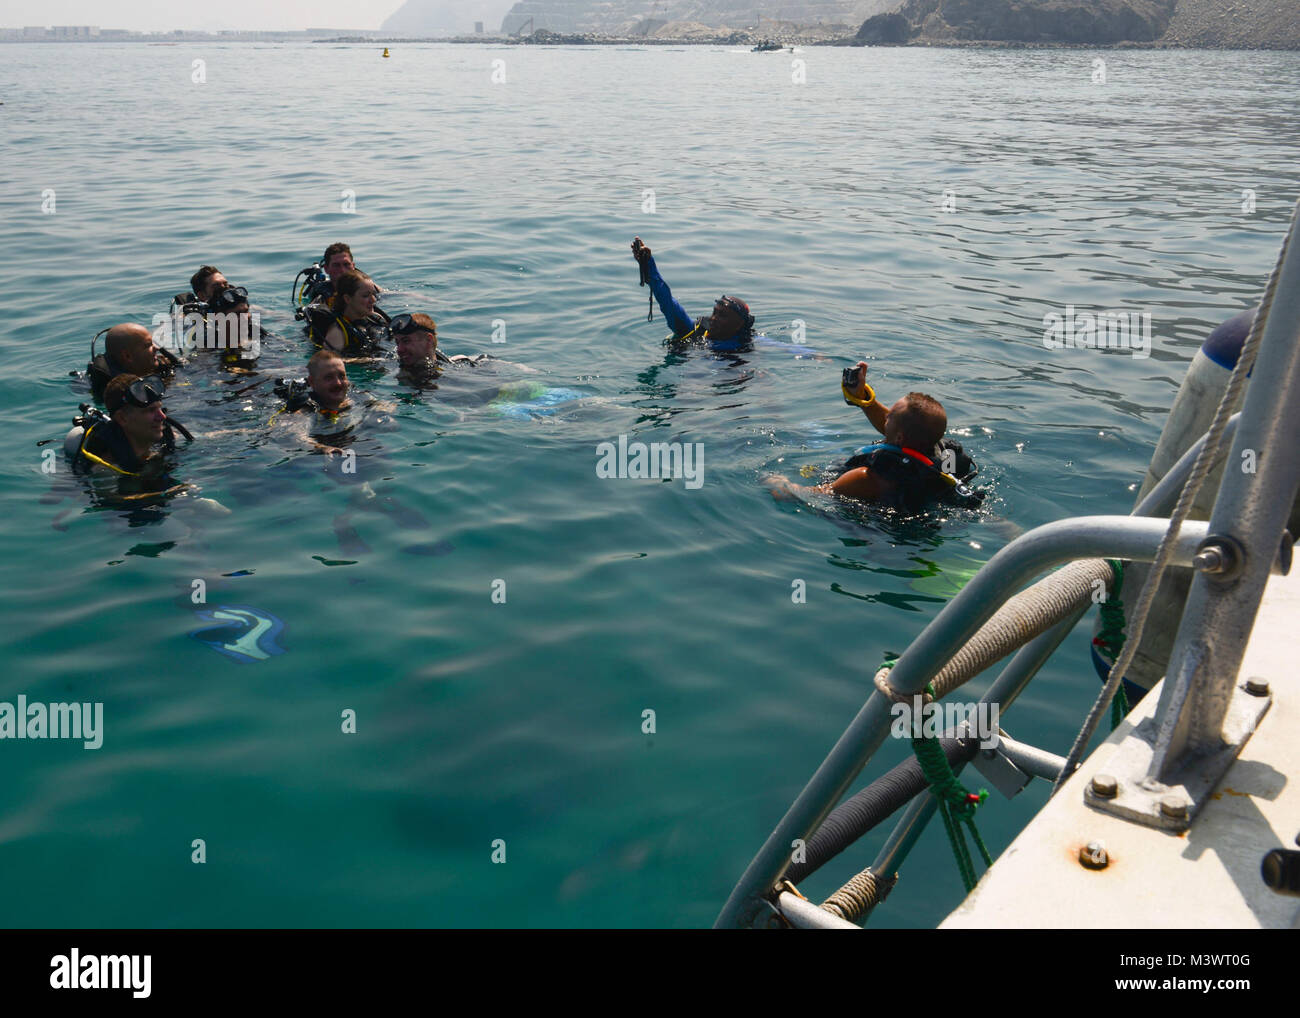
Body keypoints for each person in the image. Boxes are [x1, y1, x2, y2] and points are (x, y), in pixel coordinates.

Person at [766, 361, 982, 511]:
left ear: (899, 436)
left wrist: (779, 483)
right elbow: (901, 430)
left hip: (884, 543)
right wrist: (861, 398)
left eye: (890, 416)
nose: (885, 417)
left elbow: (807, 495)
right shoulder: (940, 457)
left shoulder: (864, 477)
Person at [630, 237, 817, 356]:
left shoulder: (745, 343)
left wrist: (817, 356)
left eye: (723, 316)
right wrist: (648, 266)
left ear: (738, 325)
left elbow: (788, 349)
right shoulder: (693, 331)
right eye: (715, 313)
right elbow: (667, 301)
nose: (714, 319)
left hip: (729, 378)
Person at [65, 374, 191, 499]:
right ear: (122, 418)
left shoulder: (163, 438)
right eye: (151, 410)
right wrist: (170, 493)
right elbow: (110, 502)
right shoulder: (106, 468)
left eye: (160, 408)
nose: (162, 417)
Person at [86, 323, 174, 402]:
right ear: (127, 356)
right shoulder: (116, 393)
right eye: (148, 345)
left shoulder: (158, 365)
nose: (156, 347)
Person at [313, 270, 389, 356]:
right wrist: (367, 360)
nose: (373, 300)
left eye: (373, 294)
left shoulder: (375, 318)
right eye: (365, 296)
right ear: (347, 299)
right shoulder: (337, 333)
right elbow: (327, 363)